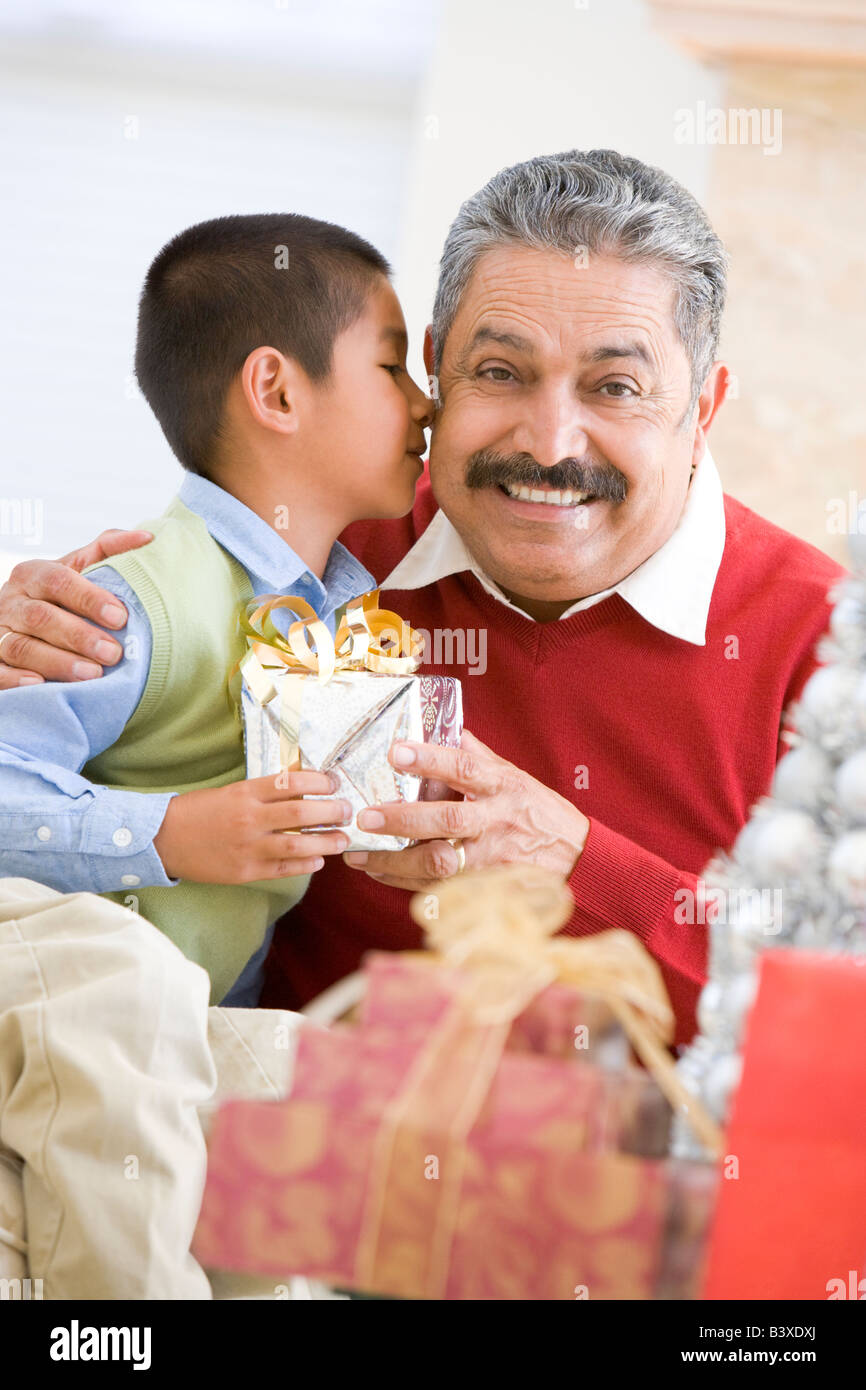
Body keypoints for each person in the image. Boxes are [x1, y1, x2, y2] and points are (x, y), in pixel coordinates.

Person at [0, 150, 846, 1043]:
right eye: (499, 371)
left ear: (703, 409)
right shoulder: (319, 553)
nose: (551, 443)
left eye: (616, 388)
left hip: (634, 1166)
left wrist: (577, 866)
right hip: (274, 1139)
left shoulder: (825, 652)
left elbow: (835, 1015)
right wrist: (50, 634)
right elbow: (76, 776)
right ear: (435, 368)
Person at [0, 213, 433, 1004]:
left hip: (205, 1031)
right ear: (277, 390)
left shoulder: (344, 611)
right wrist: (171, 833)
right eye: (393, 368)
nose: (425, 405)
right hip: (70, 1020)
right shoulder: (133, 595)